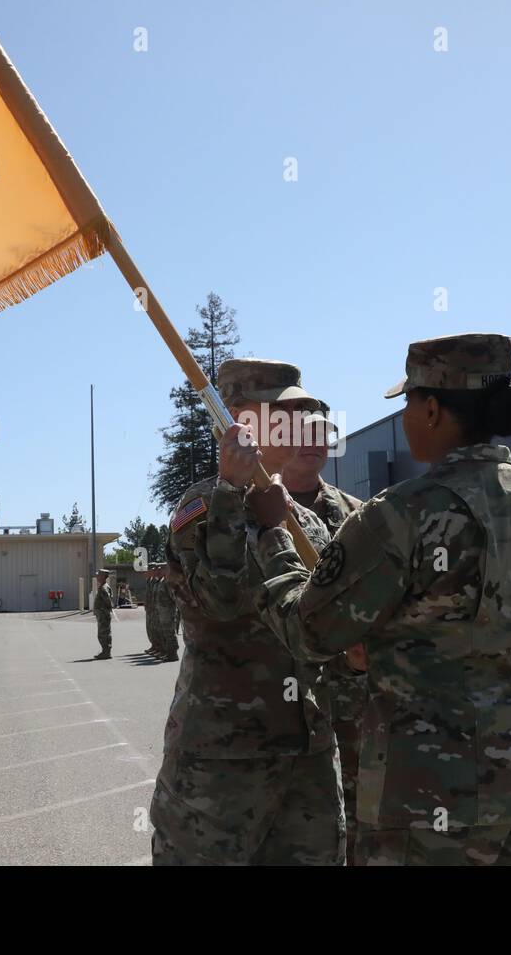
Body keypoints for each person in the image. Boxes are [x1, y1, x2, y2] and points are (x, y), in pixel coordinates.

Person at [247, 333, 511, 866]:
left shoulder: (397, 513)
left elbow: (310, 631)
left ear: (432, 409)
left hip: (429, 805)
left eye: (407, 406)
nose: (404, 420)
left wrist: (272, 535)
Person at [150, 359, 343, 865]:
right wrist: (234, 494)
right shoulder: (202, 505)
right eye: (282, 412)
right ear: (236, 419)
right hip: (221, 756)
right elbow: (218, 602)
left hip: (309, 748)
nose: (298, 424)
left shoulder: (306, 517)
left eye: (302, 412)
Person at [279, 405, 368, 863]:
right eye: (304, 433)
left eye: (324, 434)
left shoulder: (358, 513)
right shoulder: (257, 508)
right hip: (281, 700)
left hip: (353, 699)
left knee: (361, 808)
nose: (316, 443)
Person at [150, 564, 180, 662]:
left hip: (168, 612)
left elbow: (174, 597)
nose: (159, 571)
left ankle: (173, 654)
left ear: (167, 569)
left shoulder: (168, 582)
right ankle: (168, 652)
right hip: (161, 612)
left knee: (170, 632)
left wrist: (174, 610)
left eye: (161, 569)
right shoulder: (161, 582)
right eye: (158, 569)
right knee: (164, 633)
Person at [92, 570, 113, 660]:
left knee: (103, 633)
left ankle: (106, 652)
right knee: (103, 633)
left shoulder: (104, 587)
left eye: (99, 575)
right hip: (102, 614)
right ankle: (105, 651)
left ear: (103, 576)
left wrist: (104, 610)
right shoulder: (103, 586)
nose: (97, 577)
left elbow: (108, 601)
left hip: (103, 615)